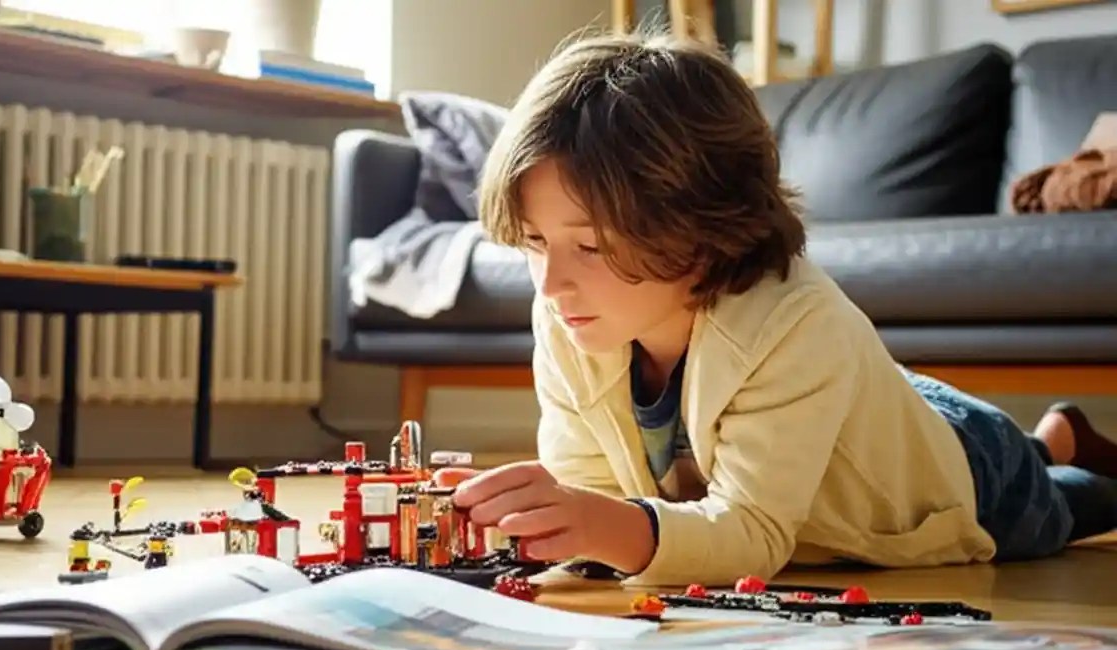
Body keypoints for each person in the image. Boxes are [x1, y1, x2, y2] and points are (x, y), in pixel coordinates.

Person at [450, 29, 1117, 587]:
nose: (550, 284)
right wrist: (544, 518)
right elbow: (590, 494)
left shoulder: (797, 321)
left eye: (590, 245)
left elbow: (751, 532)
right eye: (535, 243)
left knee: (1066, 507)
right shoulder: (572, 318)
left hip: (961, 474)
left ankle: (1055, 451)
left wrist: (596, 523)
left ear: (702, 226)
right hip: (864, 405)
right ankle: (1054, 434)